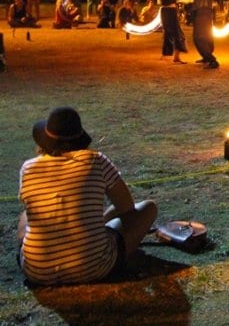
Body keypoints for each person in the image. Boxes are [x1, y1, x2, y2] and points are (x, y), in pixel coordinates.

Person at [17, 107, 158, 285]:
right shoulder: (96, 161)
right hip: (94, 267)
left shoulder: (28, 168)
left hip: (37, 272)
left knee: (25, 215)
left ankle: (39, 253)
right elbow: (126, 207)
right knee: (148, 208)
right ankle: (93, 243)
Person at [189, 0, 222, 69]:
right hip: (200, 10)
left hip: (203, 10)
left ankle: (212, 60)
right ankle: (206, 56)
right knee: (206, 36)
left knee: (199, 37)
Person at [156, 0, 188, 64]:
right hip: (171, 11)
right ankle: (175, 57)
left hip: (163, 11)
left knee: (168, 33)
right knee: (177, 33)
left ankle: (166, 55)